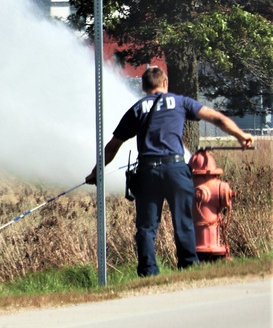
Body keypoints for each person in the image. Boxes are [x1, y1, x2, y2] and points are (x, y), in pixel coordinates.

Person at [85, 66, 253, 277]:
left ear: (144, 87)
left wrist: (96, 172)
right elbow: (217, 118)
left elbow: (113, 146)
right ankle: (188, 267)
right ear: (165, 83)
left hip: (148, 172)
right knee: (183, 221)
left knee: (146, 227)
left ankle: (148, 272)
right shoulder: (181, 102)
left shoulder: (138, 108)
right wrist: (240, 135)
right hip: (175, 170)